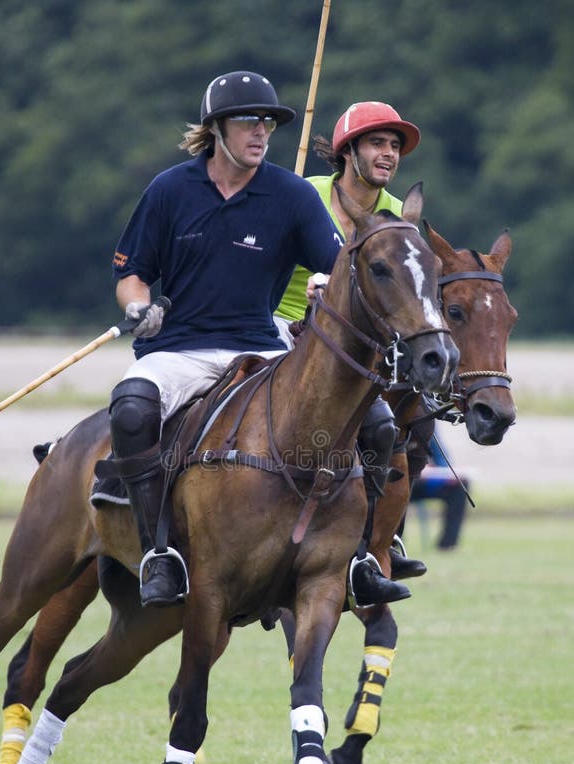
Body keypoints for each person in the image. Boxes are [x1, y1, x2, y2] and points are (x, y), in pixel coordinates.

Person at [107, 71, 342, 608]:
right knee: (131, 409)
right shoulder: (169, 190)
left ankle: (361, 553)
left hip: (260, 350)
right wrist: (138, 307)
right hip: (178, 350)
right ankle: (156, 553)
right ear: (216, 129)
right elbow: (131, 274)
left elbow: (339, 268)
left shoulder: (293, 194)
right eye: (247, 121)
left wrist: (327, 287)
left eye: (267, 122)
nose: (260, 132)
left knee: (360, 418)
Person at [276, 101, 425, 606]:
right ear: (347, 151)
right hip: (281, 325)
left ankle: (370, 546)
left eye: (394, 146)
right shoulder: (303, 195)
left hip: (358, 345)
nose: (388, 154)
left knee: (393, 427)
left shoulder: (396, 212)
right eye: (377, 143)